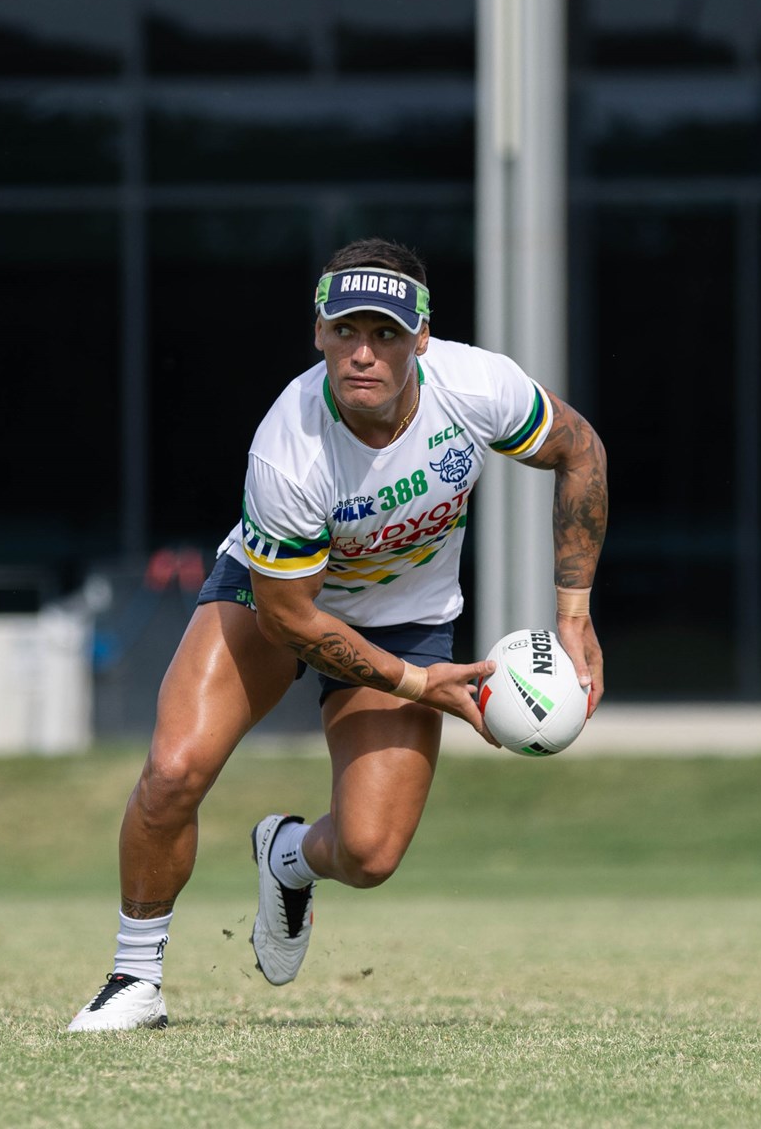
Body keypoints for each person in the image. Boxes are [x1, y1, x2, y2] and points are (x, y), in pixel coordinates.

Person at [67, 238, 607, 1032]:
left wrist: (573, 611)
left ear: (420, 339)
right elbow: (292, 619)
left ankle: (286, 857)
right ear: (317, 332)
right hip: (275, 599)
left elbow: (581, 450)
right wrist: (421, 685)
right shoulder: (287, 451)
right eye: (345, 331)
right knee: (174, 770)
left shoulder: (477, 387)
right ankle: (135, 977)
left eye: (386, 334)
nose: (364, 353)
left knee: (369, 854)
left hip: (411, 615)